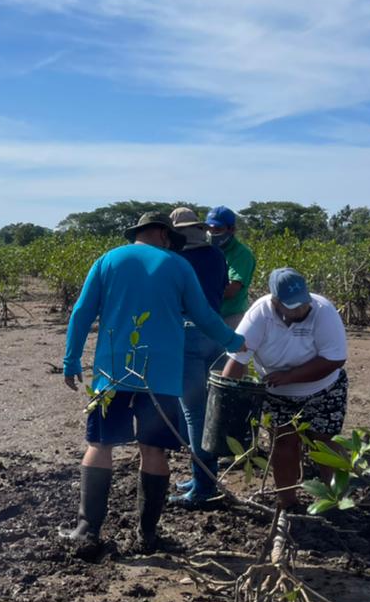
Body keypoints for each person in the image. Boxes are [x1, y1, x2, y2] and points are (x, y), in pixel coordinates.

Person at [61, 212, 245, 561]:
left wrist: (71, 360)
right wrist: (234, 341)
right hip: (161, 377)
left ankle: (86, 530)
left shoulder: (107, 260)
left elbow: (82, 312)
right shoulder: (178, 266)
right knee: (154, 451)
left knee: (100, 445)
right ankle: (147, 535)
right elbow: (205, 316)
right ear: (162, 234)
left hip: (113, 375)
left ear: (137, 234)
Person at [219, 267, 348, 510]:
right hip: (278, 394)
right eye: (292, 306)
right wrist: (226, 409)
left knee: (325, 441)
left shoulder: (323, 310)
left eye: (303, 303)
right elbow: (237, 361)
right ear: (275, 301)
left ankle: (337, 499)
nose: (300, 310)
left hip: (325, 388)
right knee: (284, 443)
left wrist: (291, 376)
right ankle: (287, 502)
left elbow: (335, 359)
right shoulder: (259, 314)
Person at [165, 207, 229, 509]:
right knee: (211, 410)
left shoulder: (174, 261)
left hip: (187, 336)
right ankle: (204, 477)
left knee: (194, 414)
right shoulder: (217, 256)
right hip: (216, 334)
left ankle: (203, 486)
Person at [204, 206, 256, 327]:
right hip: (207, 315)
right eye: (209, 229)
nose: (212, 233)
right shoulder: (205, 249)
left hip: (230, 317)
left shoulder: (242, 254)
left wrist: (196, 290)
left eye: (218, 229)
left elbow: (231, 291)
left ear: (231, 230)